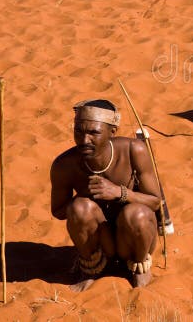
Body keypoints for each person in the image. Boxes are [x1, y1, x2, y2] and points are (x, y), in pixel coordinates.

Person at [50, 99, 161, 291]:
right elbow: (59, 211)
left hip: (133, 239)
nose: (84, 140)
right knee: (80, 208)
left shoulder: (134, 150)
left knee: (137, 214)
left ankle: (139, 266)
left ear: (112, 131)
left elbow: (155, 202)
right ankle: (91, 268)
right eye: (78, 131)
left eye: (94, 133)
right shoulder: (64, 165)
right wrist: (85, 195)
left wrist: (120, 192)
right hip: (101, 243)